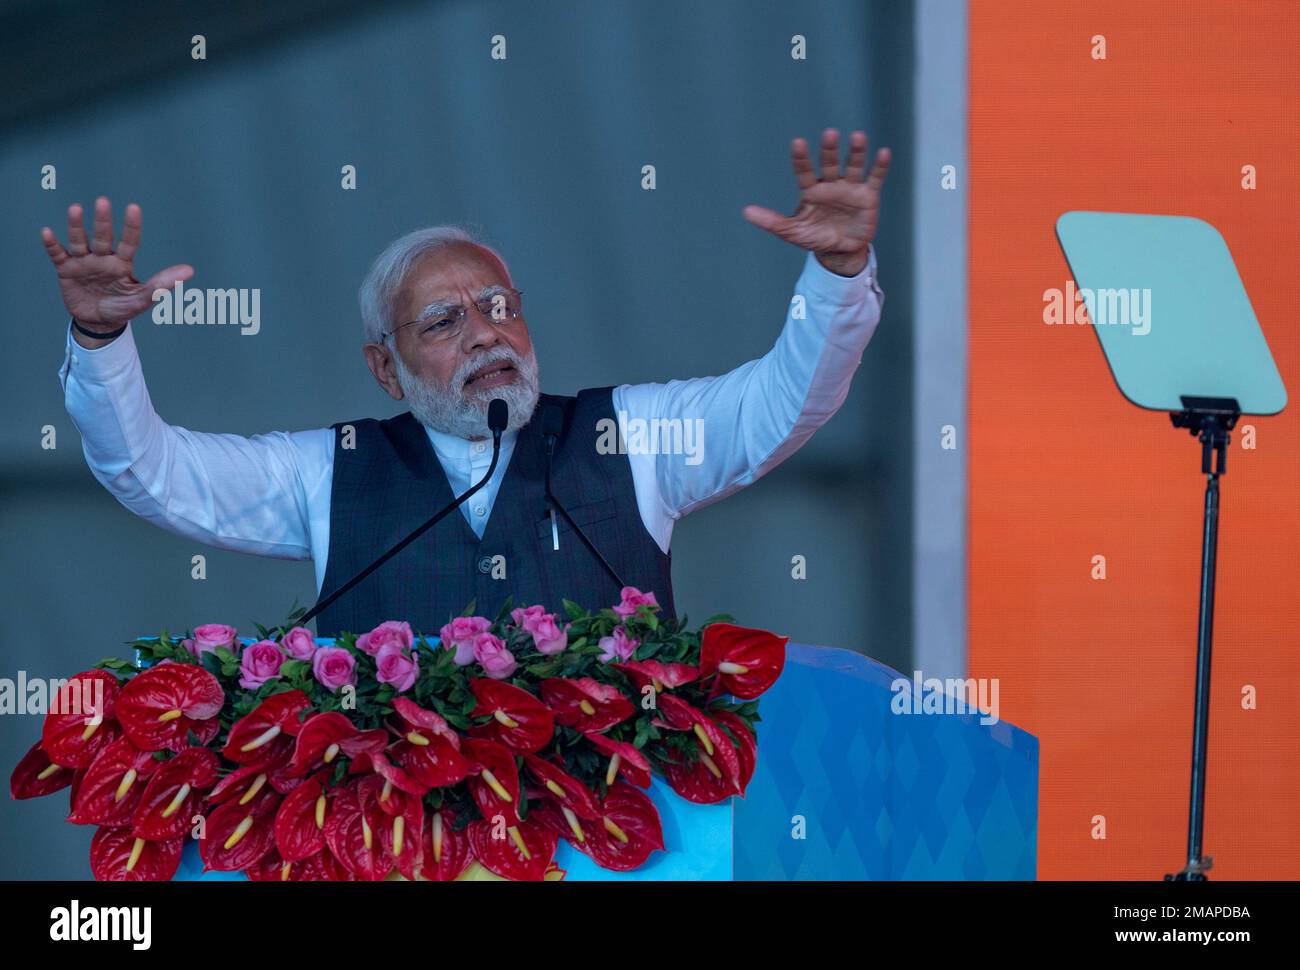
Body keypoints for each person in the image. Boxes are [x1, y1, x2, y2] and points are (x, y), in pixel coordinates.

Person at [44, 129, 890, 635]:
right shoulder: (325, 474)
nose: (486, 331)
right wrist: (101, 336)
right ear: (385, 367)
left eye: (497, 306)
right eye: (445, 322)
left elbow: (784, 402)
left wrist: (837, 274)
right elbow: (150, 472)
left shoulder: (628, 439)